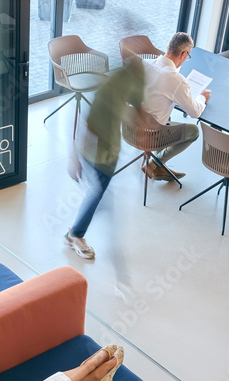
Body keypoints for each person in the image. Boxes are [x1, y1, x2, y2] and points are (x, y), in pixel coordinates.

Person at [64, 57, 146, 260]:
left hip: (111, 150)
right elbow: (87, 125)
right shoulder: (108, 92)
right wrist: (75, 158)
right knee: (97, 193)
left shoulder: (133, 80)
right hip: (98, 154)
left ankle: (75, 230)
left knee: (98, 194)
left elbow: (138, 105)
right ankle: (75, 234)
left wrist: (141, 133)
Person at [140, 32, 211, 181]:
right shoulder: (176, 80)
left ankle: (161, 165)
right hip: (151, 135)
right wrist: (201, 98)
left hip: (131, 127)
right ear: (184, 54)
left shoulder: (144, 63)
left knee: (166, 112)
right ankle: (154, 164)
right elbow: (195, 112)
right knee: (193, 131)